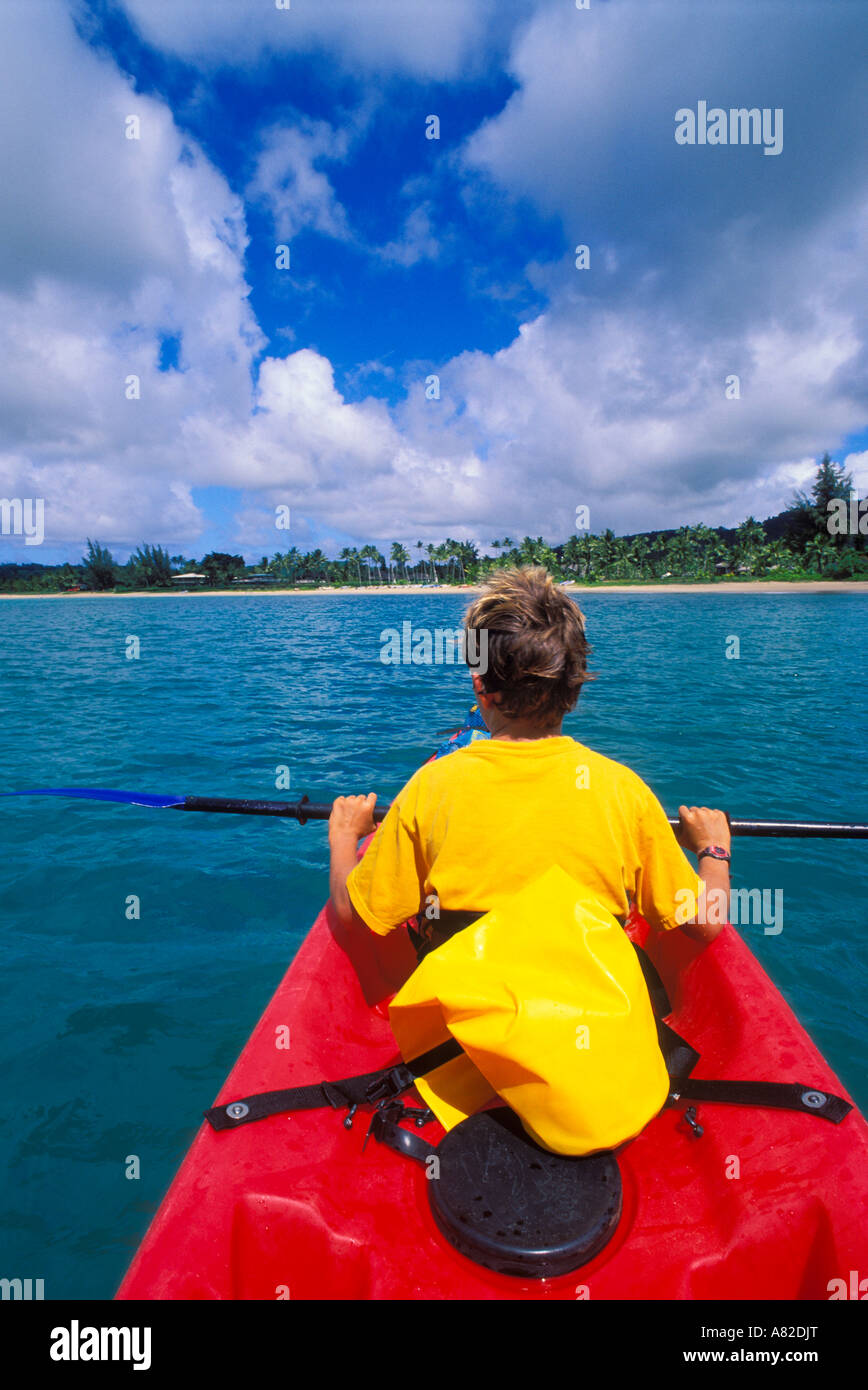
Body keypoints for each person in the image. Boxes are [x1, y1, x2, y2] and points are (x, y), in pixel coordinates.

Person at [329, 565, 730, 948]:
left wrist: (345, 836)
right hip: (597, 1012)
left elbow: (353, 915)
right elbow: (706, 924)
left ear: (480, 686)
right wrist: (712, 849)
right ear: (574, 689)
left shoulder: (430, 785)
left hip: (465, 1017)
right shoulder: (624, 790)